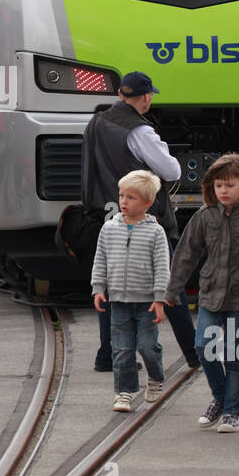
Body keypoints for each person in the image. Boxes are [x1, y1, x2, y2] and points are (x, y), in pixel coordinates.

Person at [79, 71, 197, 372]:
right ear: (146, 97)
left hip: (107, 216)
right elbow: (171, 172)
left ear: (120, 95)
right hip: (144, 219)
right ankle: (194, 353)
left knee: (109, 283)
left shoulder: (97, 122)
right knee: (170, 283)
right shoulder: (140, 131)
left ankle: (107, 354)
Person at [165, 154, 239, 434]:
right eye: (218, 186)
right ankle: (220, 397)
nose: (223, 191)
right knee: (203, 347)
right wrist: (172, 288)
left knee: (231, 354)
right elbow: (187, 254)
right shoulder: (205, 215)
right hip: (210, 293)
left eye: (229, 185)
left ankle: (230, 413)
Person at [91, 170, 170, 413]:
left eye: (131, 198)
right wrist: (98, 287)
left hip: (146, 302)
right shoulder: (109, 228)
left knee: (147, 346)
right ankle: (123, 393)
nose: (124, 202)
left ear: (147, 203)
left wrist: (159, 298)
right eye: (122, 196)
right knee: (122, 348)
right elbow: (100, 259)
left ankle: (155, 377)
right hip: (119, 301)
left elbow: (162, 266)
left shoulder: (155, 231)